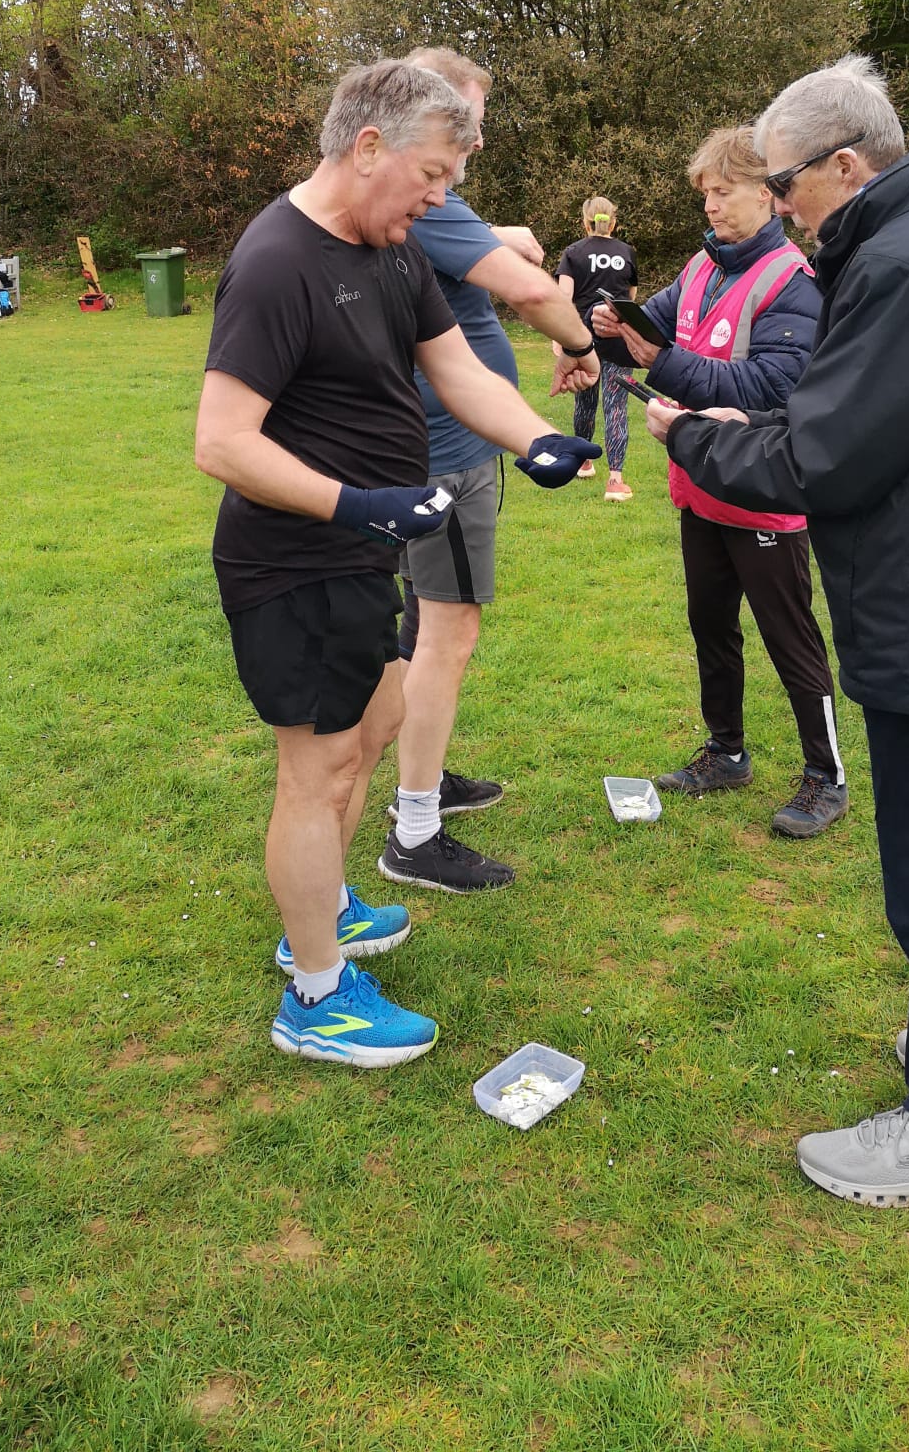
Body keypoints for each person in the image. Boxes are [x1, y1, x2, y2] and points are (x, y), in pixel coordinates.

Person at [650, 54, 909, 1209]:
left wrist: (692, 435)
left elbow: (823, 458)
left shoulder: (906, 259)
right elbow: (869, 421)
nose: (781, 207)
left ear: (846, 164)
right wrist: (745, 421)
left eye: (786, 184)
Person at [194, 60, 598, 1069]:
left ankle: (324, 907)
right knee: (319, 768)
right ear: (368, 147)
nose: (441, 197)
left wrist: (535, 437)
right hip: (294, 560)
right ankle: (316, 996)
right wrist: (357, 502)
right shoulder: (277, 261)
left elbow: (455, 367)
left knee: (374, 725)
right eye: (433, 175)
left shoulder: (394, 248)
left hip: (357, 553)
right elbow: (222, 441)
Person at [384, 47, 603, 894]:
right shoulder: (427, 202)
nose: (474, 142)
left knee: (423, 629)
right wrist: (581, 347)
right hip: (447, 454)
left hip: (445, 447)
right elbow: (536, 290)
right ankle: (413, 829)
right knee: (450, 632)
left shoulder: (430, 201)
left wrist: (504, 233)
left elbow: (509, 250)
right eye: (464, 123)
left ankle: (426, 778)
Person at [593, 125, 845, 836]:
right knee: (710, 627)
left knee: (791, 641)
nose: (710, 205)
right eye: (705, 192)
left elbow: (771, 387)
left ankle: (826, 777)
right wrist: (603, 328)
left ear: (767, 195)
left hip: (764, 494)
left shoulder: (793, 281)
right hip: (700, 487)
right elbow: (652, 330)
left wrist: (662, 361)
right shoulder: (703, 265)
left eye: (724, 191)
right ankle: (726, 752)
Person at [555, 197, 638, 502]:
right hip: (618, 337)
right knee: (616, 407)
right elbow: (630, 297)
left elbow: (563, 298)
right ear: (613, 223)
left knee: (585, 403)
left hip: (583, 339)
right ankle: (615, 481)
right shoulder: (626, 252)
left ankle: (584, 462)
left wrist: (559, 336)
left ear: (585, 222)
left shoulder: (573, 252)